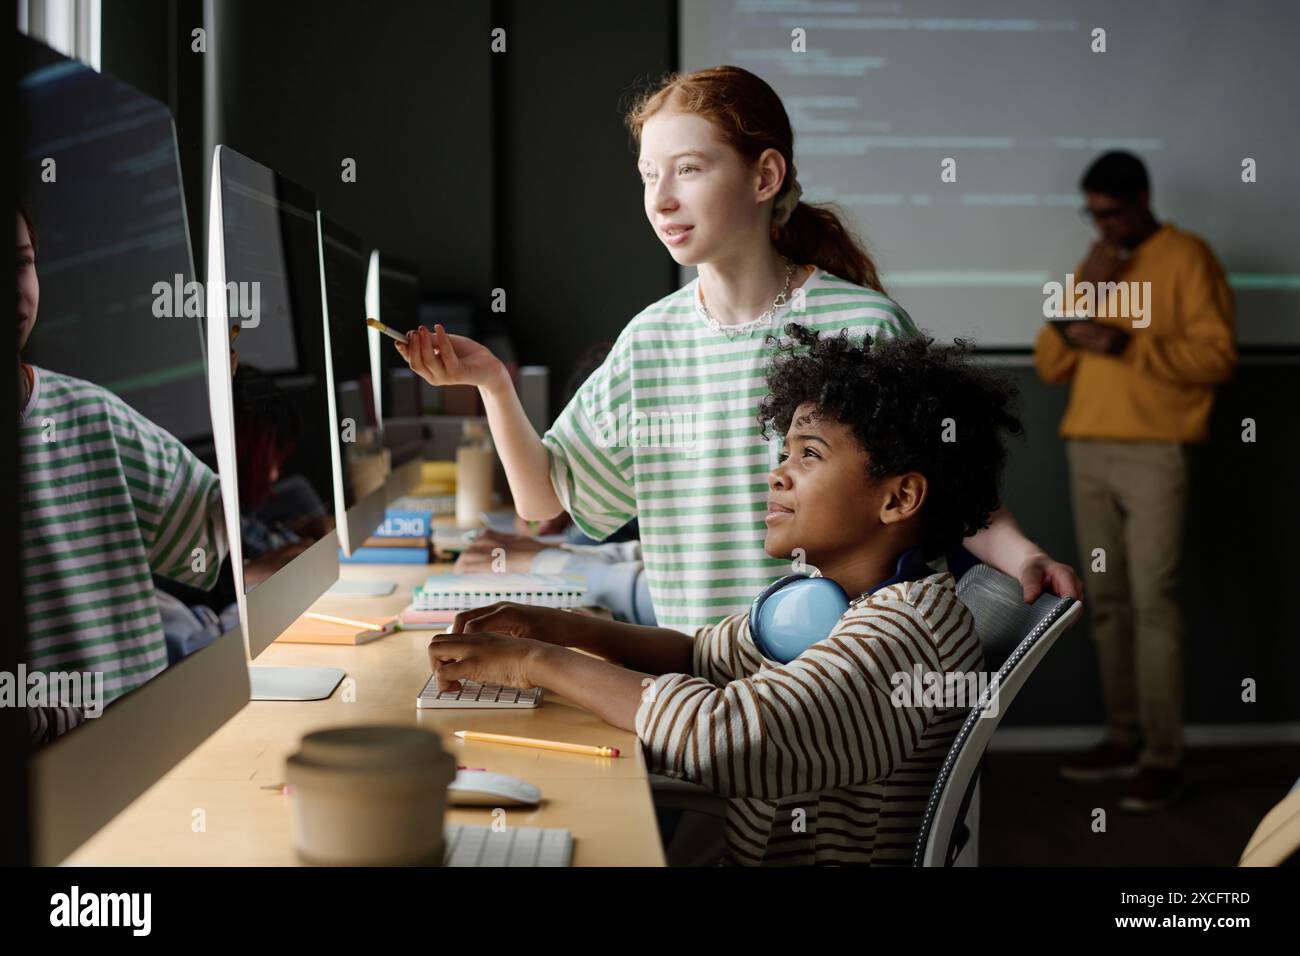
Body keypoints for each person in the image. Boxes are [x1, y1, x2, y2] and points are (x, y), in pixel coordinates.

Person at [397, 65, 1080, 634]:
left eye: (688, 169)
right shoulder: (649, 342)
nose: (661, 199)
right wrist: (491, 383)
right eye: (647, 175)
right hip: (703, 681)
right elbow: (542, 500)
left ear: (764, 177)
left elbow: (953, 490)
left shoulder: (863, 325)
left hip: (832, 690)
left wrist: (1020, 555)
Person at [421, 326, 1021, 865]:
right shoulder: (828, 598)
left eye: (809, 454)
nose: (777, 473)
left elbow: (732, 733)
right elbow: (701, 655)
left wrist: (536, 663)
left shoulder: (907, 633)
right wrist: (565, 628)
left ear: (898, 499)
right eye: (784, 452)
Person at [1035, 151, 1236, 812]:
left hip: (1156, 452)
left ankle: (1162, 755)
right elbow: (1049, 364)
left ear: (1143, 198)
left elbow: (1216, 357)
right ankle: (1122, 737)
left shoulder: (1189, 256)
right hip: (1087, 448)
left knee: (1155, 600)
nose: (1104, 224)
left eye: (1112, 212)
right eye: (1093, 213)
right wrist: (1082, 291)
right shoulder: (1097, 265)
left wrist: (1125, 345)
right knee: (1110, 600)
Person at [18, 207, 227, 735]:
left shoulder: (92, 414)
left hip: (145, 749)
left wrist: (235, 407)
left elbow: (208, 530)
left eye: (20, 263)